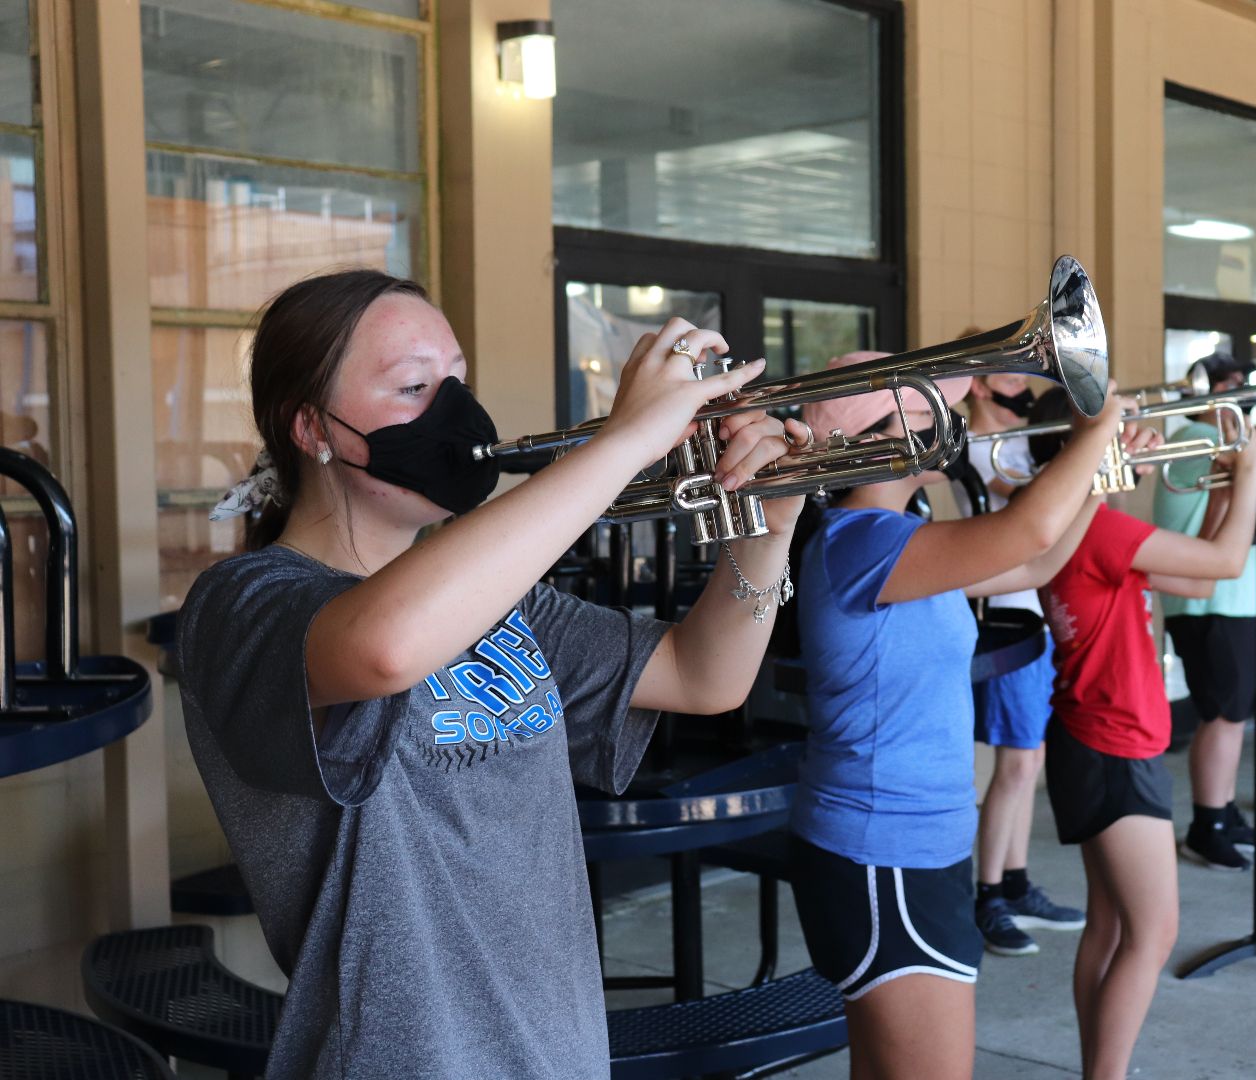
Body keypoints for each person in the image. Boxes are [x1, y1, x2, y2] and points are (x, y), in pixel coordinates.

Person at [177, 269, 809, 1079]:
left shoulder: (498, 596)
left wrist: (766, 527)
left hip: (558, 1048)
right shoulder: (242, 602)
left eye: (457, 380)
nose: (452, 411)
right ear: (313, 429)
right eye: (412, 387)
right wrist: (626, 442)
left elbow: (701, 677)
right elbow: (383, 649)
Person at [789, 356, 1121, 1080]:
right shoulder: (863, 542)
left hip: (903, 846)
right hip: (885, 851)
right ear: (880, 436)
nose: (954, 427)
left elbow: (1034, 566)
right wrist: (1095, 428)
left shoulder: (900, 533)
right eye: (930, 412)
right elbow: (1029, 531)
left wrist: (1101, 469)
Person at [1027, 393, 1256, 1079]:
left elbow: (1197, 561)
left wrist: (1226, 485)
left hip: (1095, 738)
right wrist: (1248, 473)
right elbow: (1226, 565)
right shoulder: (1097, 530)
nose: (1137, 437)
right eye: (1116, 428)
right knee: (1153, 932)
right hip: (1112, 745)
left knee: (1110, 926)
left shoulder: (1075, 528)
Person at [959, 362, 1086, 958]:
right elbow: (1035, 512)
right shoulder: (981, 452)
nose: (1025, 391)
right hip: (1006, 619)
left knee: (1025, 763)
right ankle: (990, 897)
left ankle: (1013, 880)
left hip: (1028, 614)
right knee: (1014, 767)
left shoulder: (1013, 446)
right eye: (1010, 381)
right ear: (980, 387)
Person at [1152, 352, 1256, 871]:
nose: (1242, 396)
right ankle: (1205, 825)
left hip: (1247, 599)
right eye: (1231, 386)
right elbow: (1243, 466)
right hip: (1212, 602)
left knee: (1235, 717)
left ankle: (1225, 810)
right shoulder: (1194, 436)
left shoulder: (1232, 439)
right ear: (1202, 391)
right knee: (1221, 715)